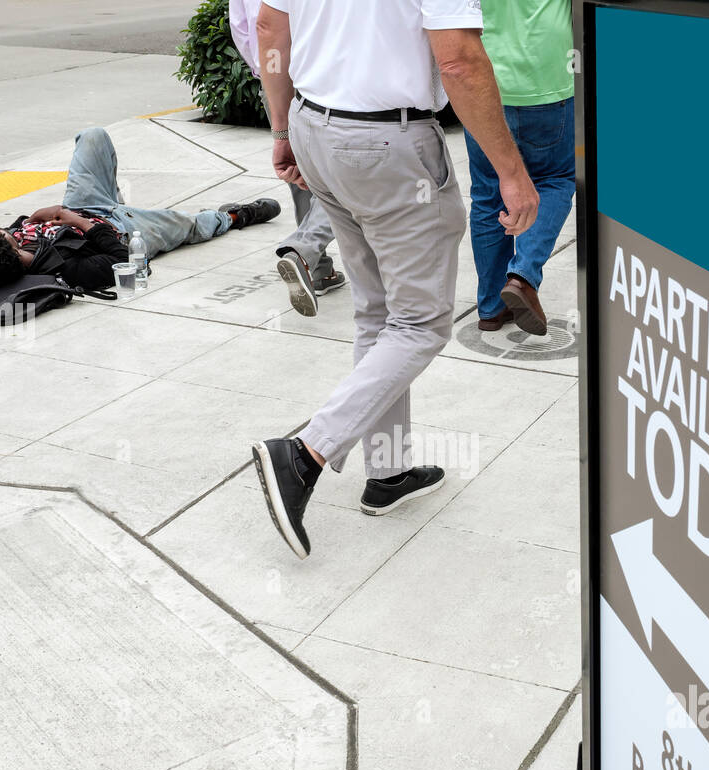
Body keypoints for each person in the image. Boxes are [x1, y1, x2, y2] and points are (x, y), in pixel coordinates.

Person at [250, 0, 539, 560]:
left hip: (314, 125)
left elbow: (269, 25)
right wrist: (511, 171)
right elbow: (458, 61)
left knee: (378, 314)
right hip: (385, 145)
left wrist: (282, 126)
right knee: (420, 325)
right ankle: (305, 453)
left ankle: (387, 473)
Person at [0, 126, 281, 291]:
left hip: (81, 205)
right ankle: (234, 216)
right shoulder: (65, 269)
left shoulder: (7, 247)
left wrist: (34, 218)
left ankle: (109, 194)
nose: (7, 228)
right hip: (123, 230)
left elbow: (1, 247)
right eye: (2, 232)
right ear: (11, 250)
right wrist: (78, 223)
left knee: (93, 137)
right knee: (191, 226)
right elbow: (126, 262)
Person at [229, 0, 347, 316]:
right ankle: (304, 251)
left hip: (272, 77)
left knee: (299, 175)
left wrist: (264, 71)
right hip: (321, 75)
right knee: (343, 177)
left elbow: (244, 26)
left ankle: (318, 269)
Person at [465, 0, 576, 335]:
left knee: (487, 195)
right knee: (555, 179)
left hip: (484, 84)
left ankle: (490, 308)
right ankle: (522, 276)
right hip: (547, 81)